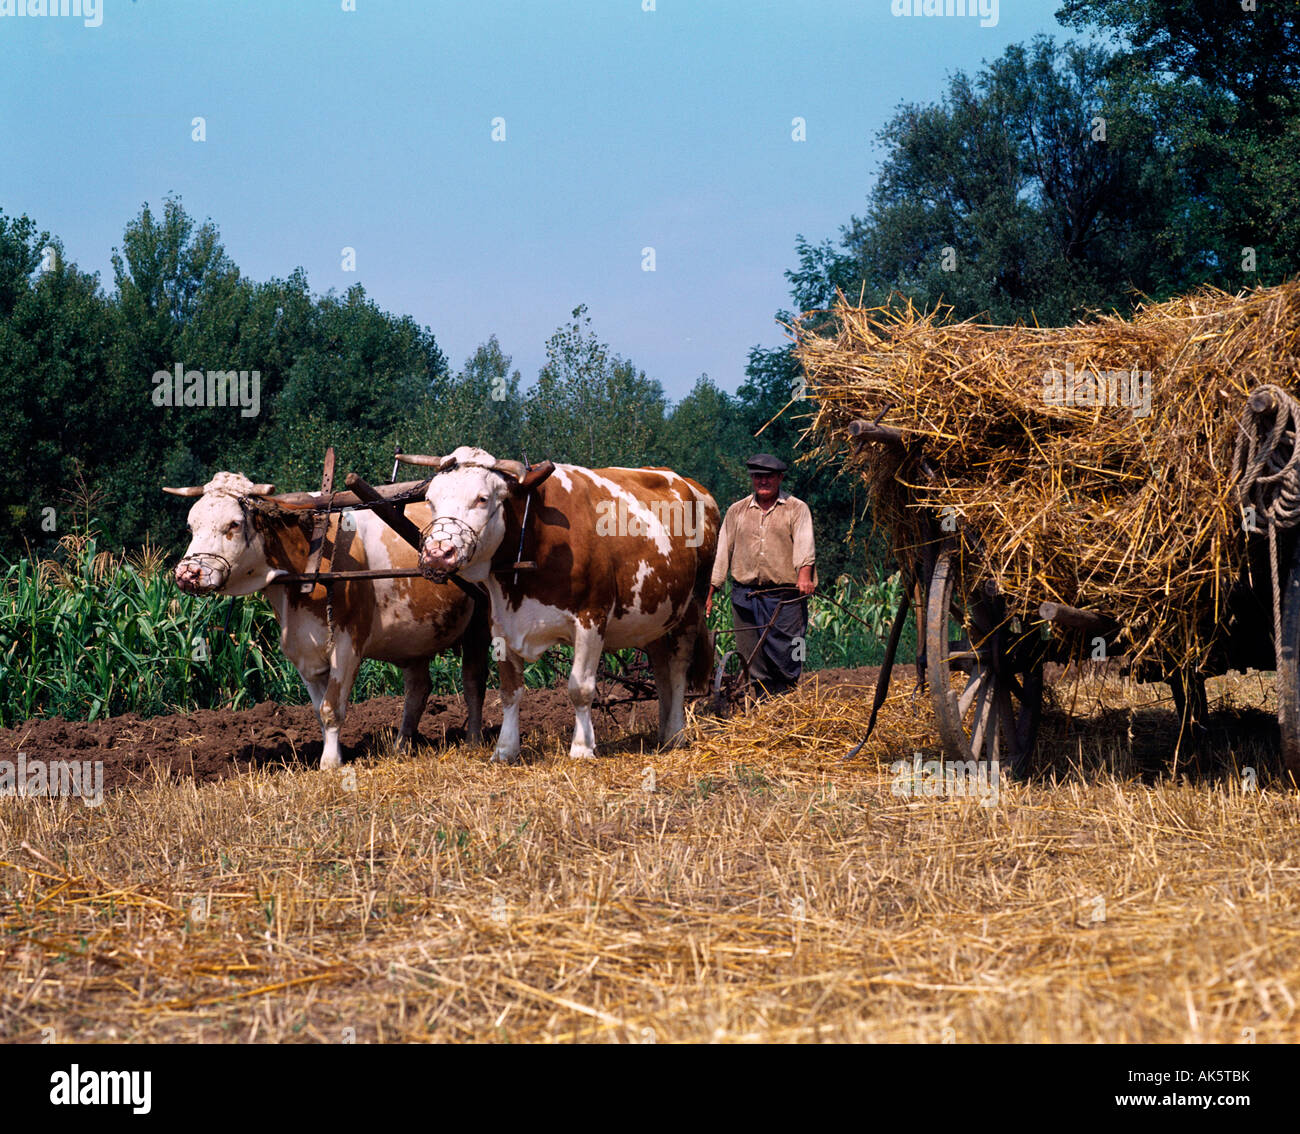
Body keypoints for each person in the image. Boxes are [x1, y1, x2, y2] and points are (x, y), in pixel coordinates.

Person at [707, 454, 816, 698]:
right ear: (752, 479)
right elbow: (723, 549)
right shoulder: (737, 511)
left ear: (779, 478)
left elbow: (804, 543)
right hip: (745, 594)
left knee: (790, 650)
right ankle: (762, 701)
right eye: (757, 477)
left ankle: (787, 694)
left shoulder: (796, 508)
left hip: (785, 596)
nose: (762, 481)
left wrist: (805, 576)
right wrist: (712, 589)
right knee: (750, 652)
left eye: (768, 477)